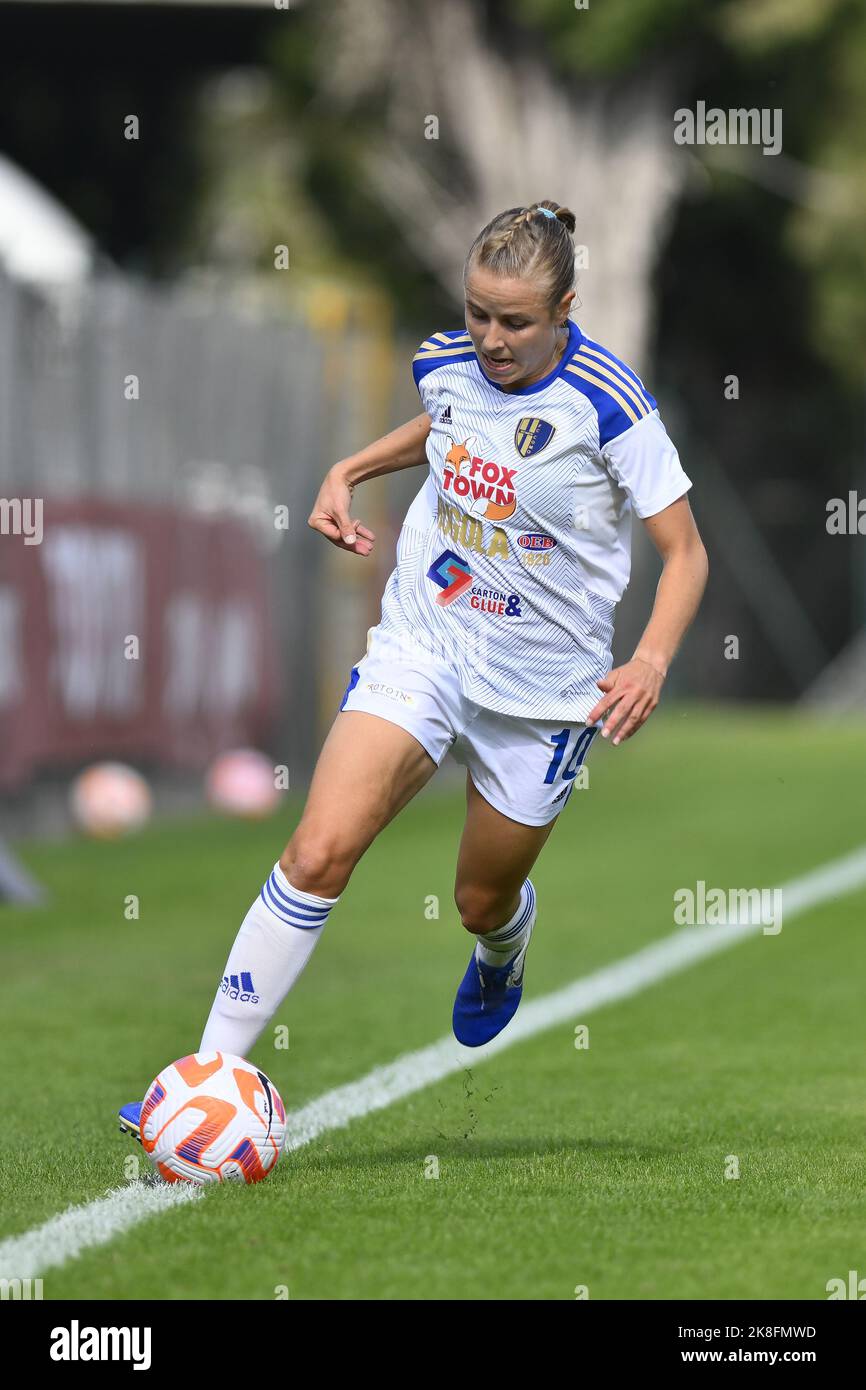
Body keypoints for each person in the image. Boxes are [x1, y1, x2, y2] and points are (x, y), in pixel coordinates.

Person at [119, 199, 707, 1141]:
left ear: (566, 309)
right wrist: (349, 469)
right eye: (478, 313)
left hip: (547, 694)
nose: (492, 338)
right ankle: (204, 1075)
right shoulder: (448, 362)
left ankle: (504, 946)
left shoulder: (610, 403)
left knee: (480, 898)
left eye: (515, 321)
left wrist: (649, 660)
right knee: (319, 849)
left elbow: (686, 552)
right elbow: (442, 429)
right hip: (425, 644)